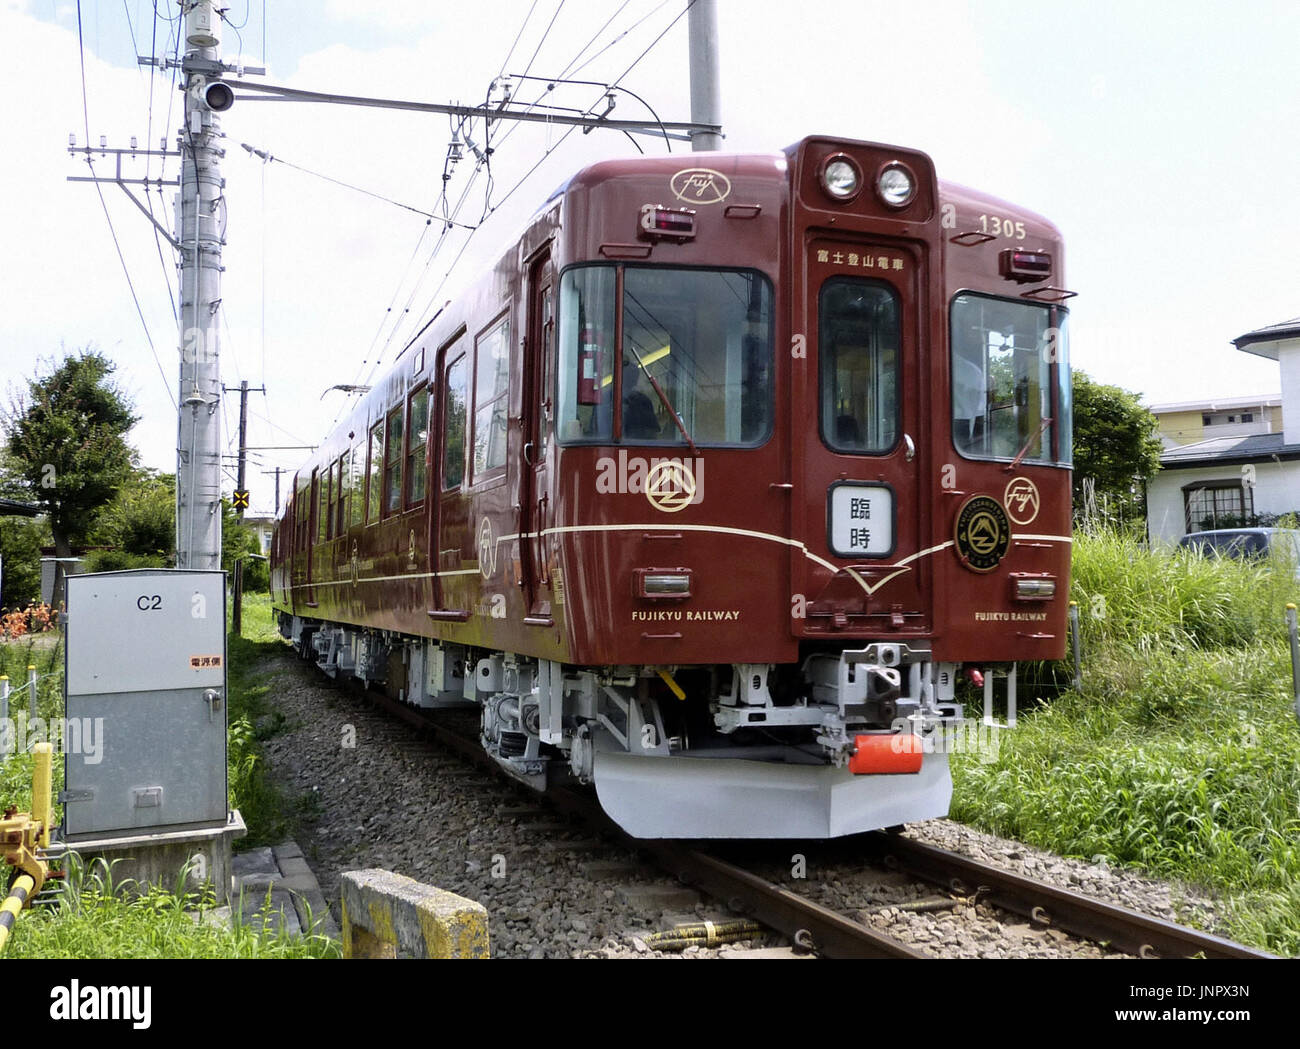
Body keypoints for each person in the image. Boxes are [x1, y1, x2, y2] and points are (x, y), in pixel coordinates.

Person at [622, 361, 661, 439]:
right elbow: (653, 434)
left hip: (638, 446)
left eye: (632, 376)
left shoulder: (642, 401)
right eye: (628, 376)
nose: (631, 379)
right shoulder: (643, 401)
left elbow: (652, 433)